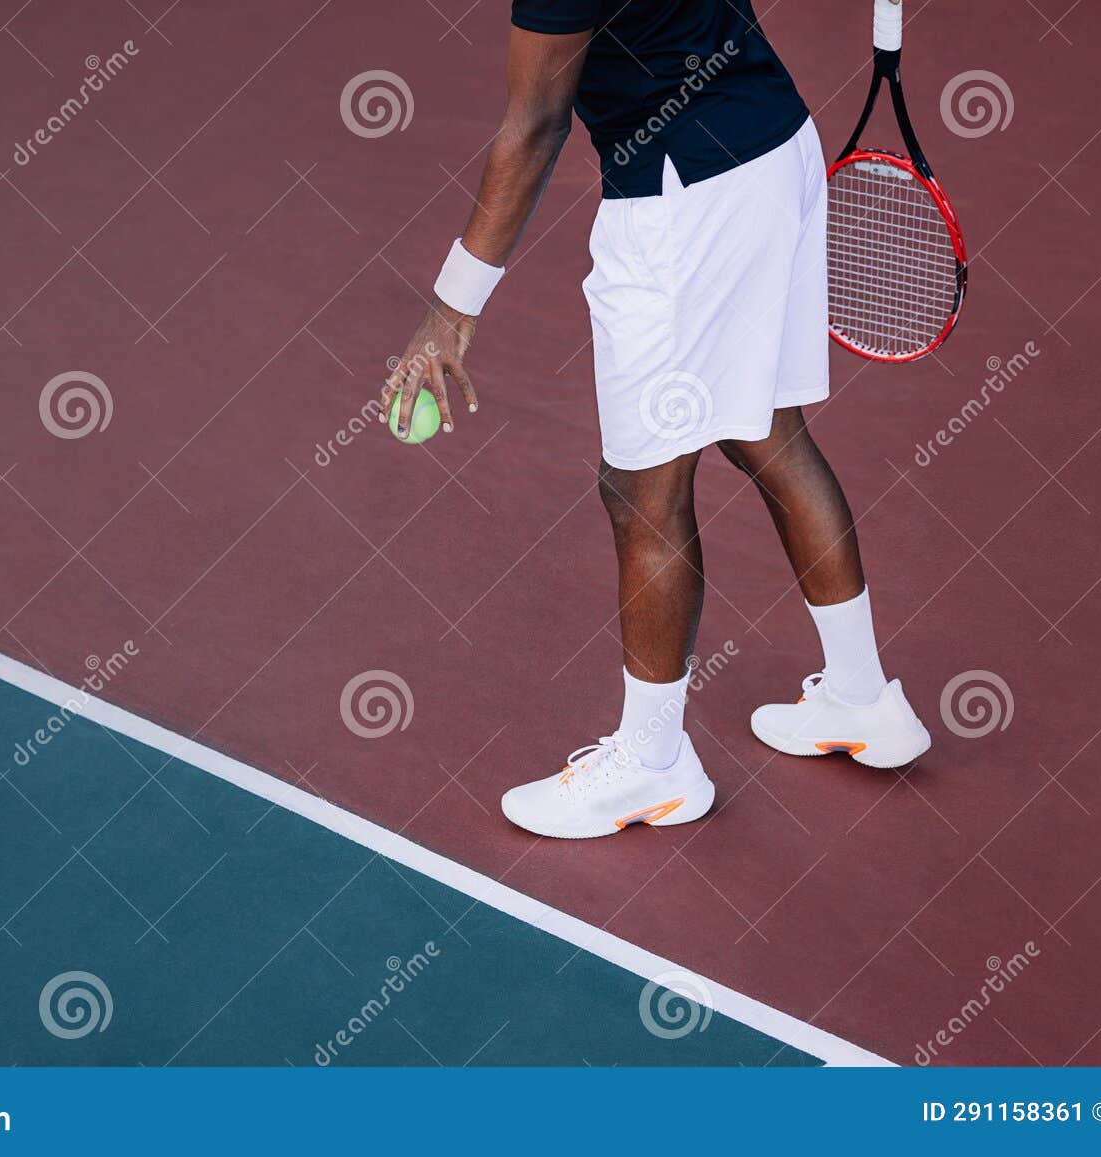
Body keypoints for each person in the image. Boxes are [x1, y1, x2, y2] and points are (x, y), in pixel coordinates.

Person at [382, 0, 931, 840]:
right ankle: (862, 697)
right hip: (773, 147)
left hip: (685, 201)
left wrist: (450, 313)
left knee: (643, 489)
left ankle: (653, 763)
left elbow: (536, 125)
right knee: (764, 429)